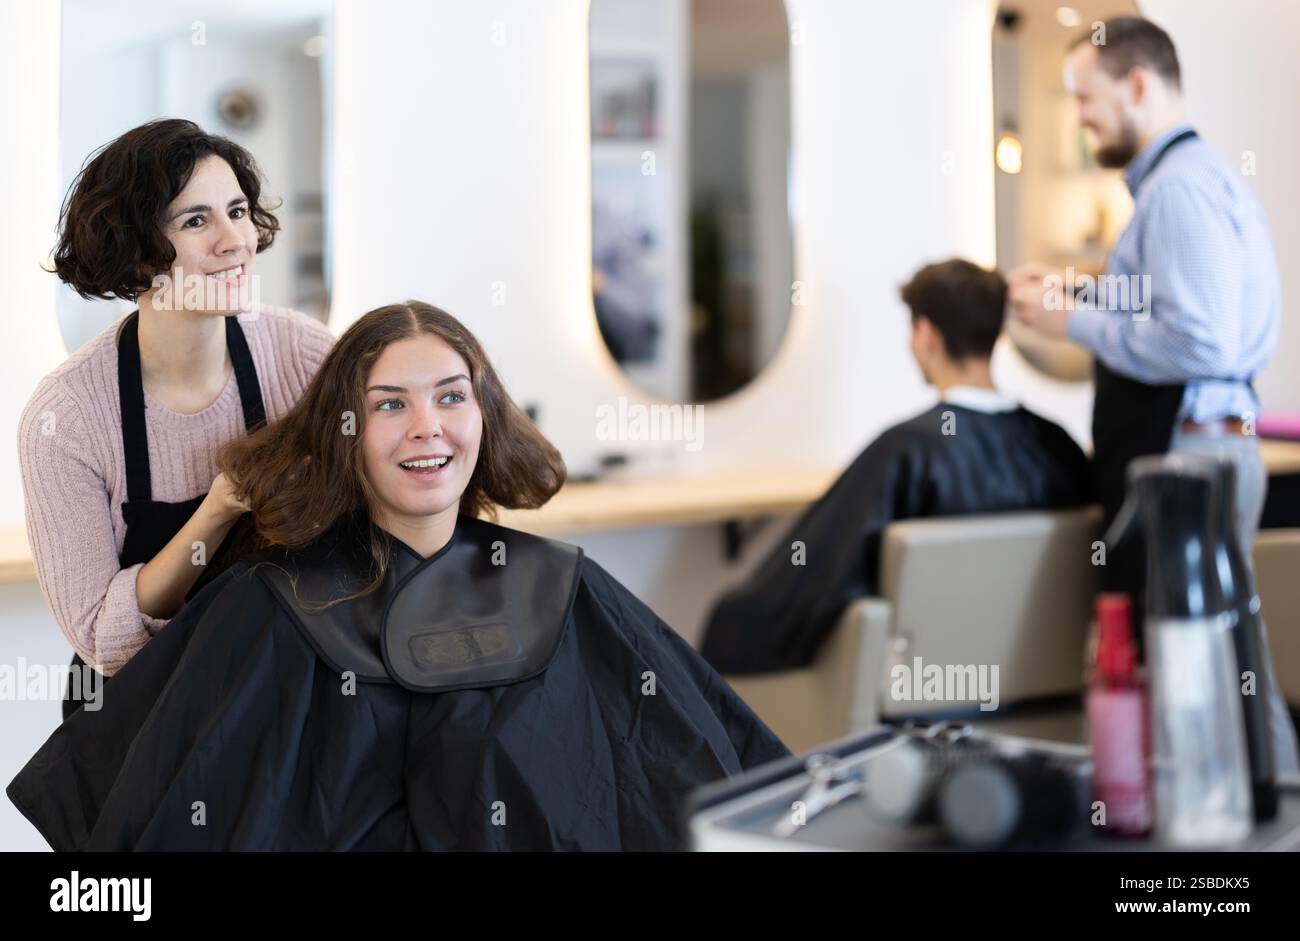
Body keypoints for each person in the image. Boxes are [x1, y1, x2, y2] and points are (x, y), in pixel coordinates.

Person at [7, 301, 790, 851]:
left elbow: (712, 777)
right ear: (342, 434)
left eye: (452, 396)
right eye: (390, 405)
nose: (428, 426)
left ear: (485, 417)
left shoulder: (561, 587)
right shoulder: (269, 606)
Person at [1007, 17, 1298, 771]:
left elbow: (1200, 340)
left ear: (1138, 85)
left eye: (1085, 97)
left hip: (1189, 456)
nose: (1080, 118)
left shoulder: (1176, 195)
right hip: (1202, 448)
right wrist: (1076, 292)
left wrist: (1072, 320)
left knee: (1211, 668)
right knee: (1220, 661)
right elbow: (1172, 310)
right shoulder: (1192, 184)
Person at [20, 119, 335, 718]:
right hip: (141, 725)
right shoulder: (67, 418)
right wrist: (218, 511)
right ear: (135, 255)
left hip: (281, 700)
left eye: (237, 211)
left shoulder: (300, 353)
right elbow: (101, 641)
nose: (233, 240)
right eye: (196, 221)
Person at [700, 259, 1094, 675]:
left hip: (923, 685)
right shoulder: (1058, 445)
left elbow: (820, 579)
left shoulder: (908, 450)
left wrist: (727, 625)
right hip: (1042, 680)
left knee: (731, 618)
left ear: (926, 335)